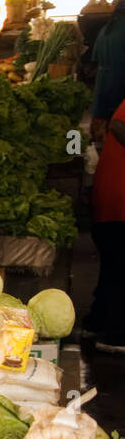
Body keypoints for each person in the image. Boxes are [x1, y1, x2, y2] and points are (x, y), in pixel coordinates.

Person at [86, 97, 125, 352]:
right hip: (118, 204)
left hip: (111, 204)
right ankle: (115, 336)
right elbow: (118, 127)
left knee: (112, 268)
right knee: (120, 270)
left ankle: (95, 323)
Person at [91, 0, 125, 144]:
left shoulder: (105, 30)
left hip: (103, 81)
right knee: (119, 126)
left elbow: (96, 57)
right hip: (120, 82)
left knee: (105, 119)